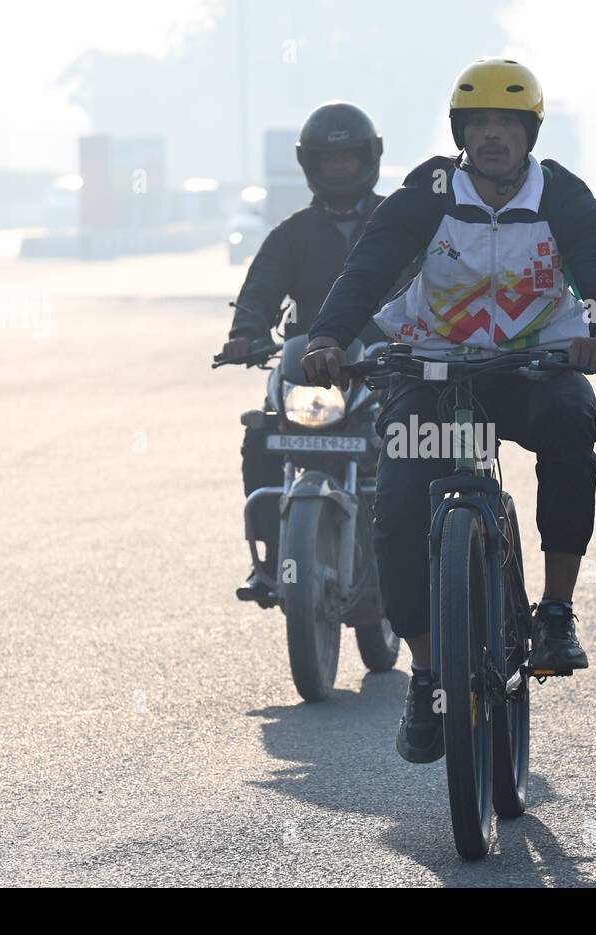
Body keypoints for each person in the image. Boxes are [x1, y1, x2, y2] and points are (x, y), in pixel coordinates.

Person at [301, 58, 596, 763]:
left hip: (533, 368)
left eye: (506, 125)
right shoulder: (427, 191)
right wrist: (330, 335)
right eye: (478, 123)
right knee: (395, 503)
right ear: (460, 131)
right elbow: (370, 266)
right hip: (433, 368)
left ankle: (555, 612)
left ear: (528, 134)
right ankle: (426, 675)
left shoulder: (563, 197)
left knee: (574, 424)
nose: (491, 137)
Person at [217, 101, 391, 603]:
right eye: (327, 160)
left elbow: (433, 281)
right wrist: (246, 333)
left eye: (348, 158)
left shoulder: (396, 223)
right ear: (310, 166)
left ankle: (425, 555)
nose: (338, 168)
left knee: (417, 445)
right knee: (262, 437)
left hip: (385, 368)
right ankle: (272, 562)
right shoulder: (291, 234)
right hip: (311, 373)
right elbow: (260, 291)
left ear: (368, 159)